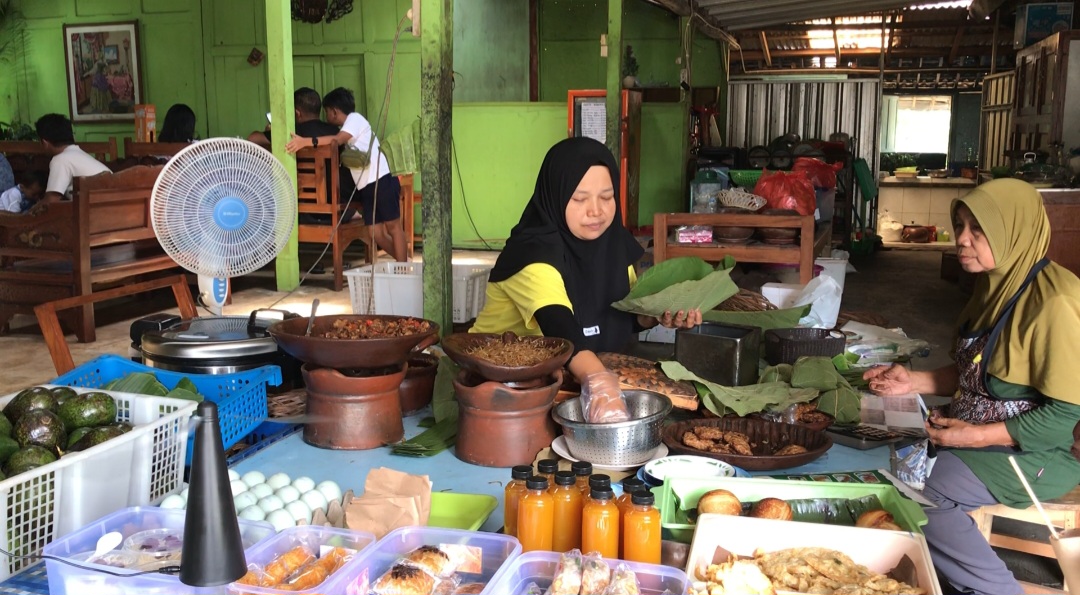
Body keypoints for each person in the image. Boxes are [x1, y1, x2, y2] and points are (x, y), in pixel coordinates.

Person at [864, 179, 1080, 595]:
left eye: (977, 229)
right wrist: (916, 381)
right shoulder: (996, 285)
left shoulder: (1056, 305)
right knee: (894, 461)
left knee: (922, 495)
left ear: (1013, 231)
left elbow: (1067, 418)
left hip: (1043, 453)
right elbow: (979, 374)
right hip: (984, 438)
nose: (961, 239)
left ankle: (996, 588)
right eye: (960, 224)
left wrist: (975, 437)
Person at [470, 137, 701, 390]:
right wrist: (601, 385)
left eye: (607, 196)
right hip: (493, 383)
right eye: (580, 199)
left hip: (562, 379)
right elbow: (561, 330)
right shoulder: (533, 255)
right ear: (555, 197)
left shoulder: (612, 245)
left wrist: (659, 315)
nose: (596, 211)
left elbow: (623, 315)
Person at [284, 87, 407, 263]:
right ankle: (405, 264)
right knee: (375, 233)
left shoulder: (354, 120)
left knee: (394, 227)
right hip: (367, 186)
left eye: (326, 112)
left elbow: (337, 140)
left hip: (382, 179)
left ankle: (403, 271)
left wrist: (305, 142)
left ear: (334, 111)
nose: (326, 116)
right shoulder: (348, 126)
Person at [34, 113, 111, 202]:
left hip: (98, 212)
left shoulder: (60, 160)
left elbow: (51, 202)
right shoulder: (78, 154)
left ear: (45, 143)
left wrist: (28, 213)